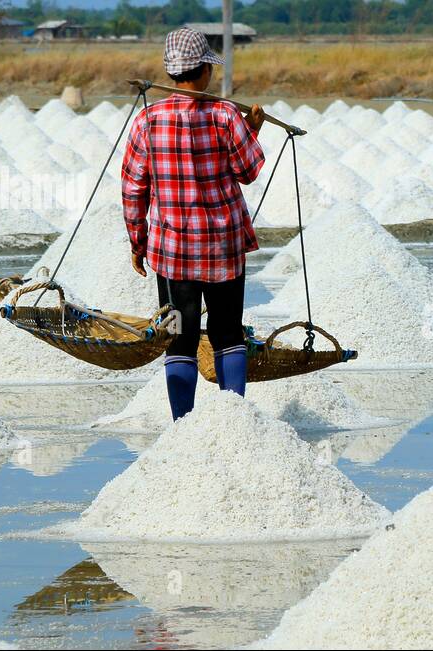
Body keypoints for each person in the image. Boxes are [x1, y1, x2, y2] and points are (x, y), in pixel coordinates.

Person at [121, 26, 266, 420]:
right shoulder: (225, 116)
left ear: (172, 74)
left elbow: (134, 189)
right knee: (227, 333)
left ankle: (183, 428)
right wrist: (252, 129)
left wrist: (138, 243)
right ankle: (233, 419)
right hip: (223, 246)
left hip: (172, 253)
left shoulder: (147, 121)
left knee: (179, 340)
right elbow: (249, 170)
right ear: (203, 70)